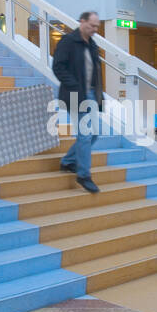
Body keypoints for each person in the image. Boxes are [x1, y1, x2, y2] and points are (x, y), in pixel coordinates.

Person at [53, 11, 104, 193]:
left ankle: (68, 162)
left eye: (97, 26)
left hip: (90, 95)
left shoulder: (92, 45)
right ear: (82, 22)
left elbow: (96, 73)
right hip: (75, 96)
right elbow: (58, 67)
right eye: (92, 25)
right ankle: (84, 175)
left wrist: (99, 98)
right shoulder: (68, 42)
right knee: (85, 134)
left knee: (95, 134)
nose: (95, 30)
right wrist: (75, 87)